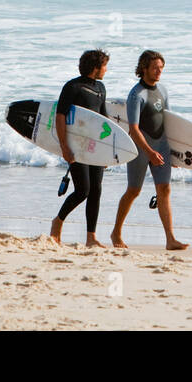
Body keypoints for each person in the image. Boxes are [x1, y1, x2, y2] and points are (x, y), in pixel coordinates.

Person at [111, 50, 188, 251]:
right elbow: (133, 129)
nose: (158, 71)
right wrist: (149, 152)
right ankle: (116, 232)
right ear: (143, 68)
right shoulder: (136, 94)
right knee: (133, 191)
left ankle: (170, 239)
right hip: (140, 147)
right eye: (155, 68)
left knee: (164, 190)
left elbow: (170, 121)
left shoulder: (162, 90)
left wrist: (175, 153)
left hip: (161, 145)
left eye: (161, 68)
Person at [50, 49, 111, 247]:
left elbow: (104, 121)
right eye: (104, 66)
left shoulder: (101, 88)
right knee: (83, 190)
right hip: (76, 146)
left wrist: (106, 153)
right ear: (95, 68)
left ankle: (91, 237)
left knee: (96, 190)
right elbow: (60, 116)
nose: (106, 70)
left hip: (94, 148)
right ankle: (57, 222)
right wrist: (64, 146)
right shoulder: (72, 87)